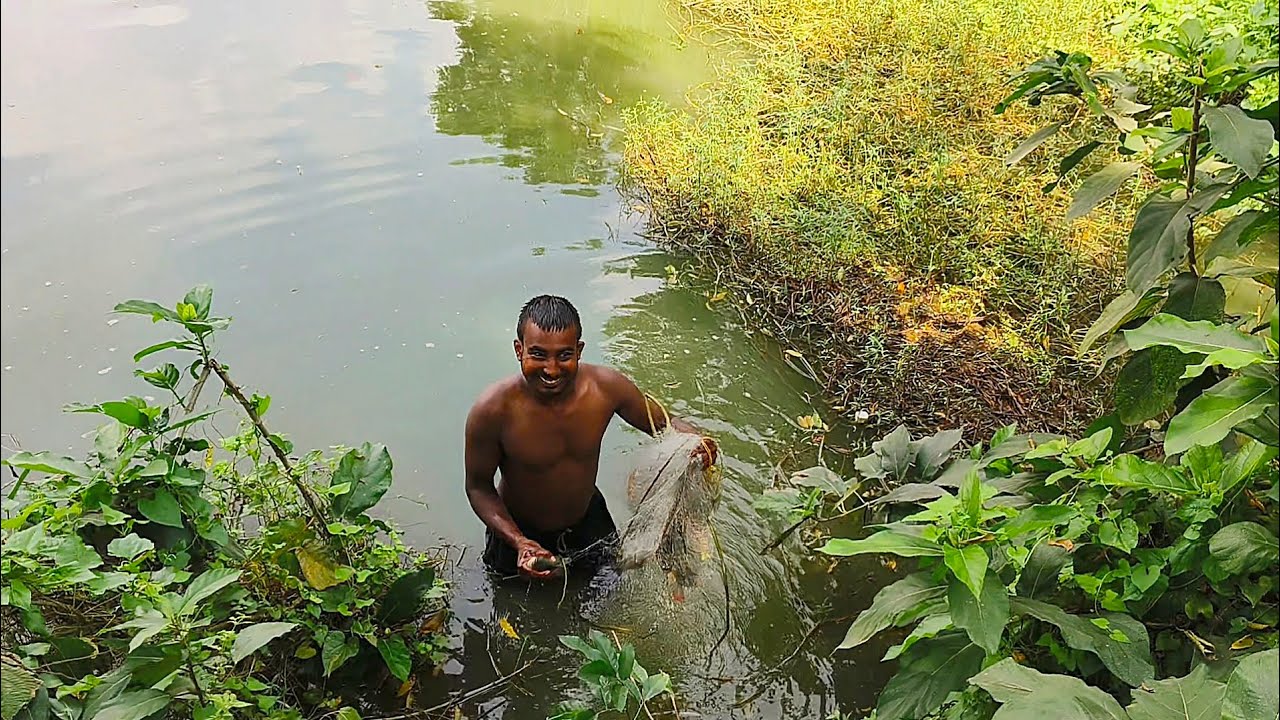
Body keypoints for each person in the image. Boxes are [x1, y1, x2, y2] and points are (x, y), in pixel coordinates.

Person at [465, 295, 717, 581]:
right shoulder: (492, 411)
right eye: (538, 354)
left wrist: (697, 443)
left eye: (564, 355)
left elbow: (665, 424)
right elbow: (478, 488)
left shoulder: (606, 389)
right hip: (518, 532)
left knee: (610, 591)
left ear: (579, 350)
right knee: (515, 607)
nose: (551, 369)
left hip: (588, 522)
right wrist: (519, 542)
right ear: (518, 350)